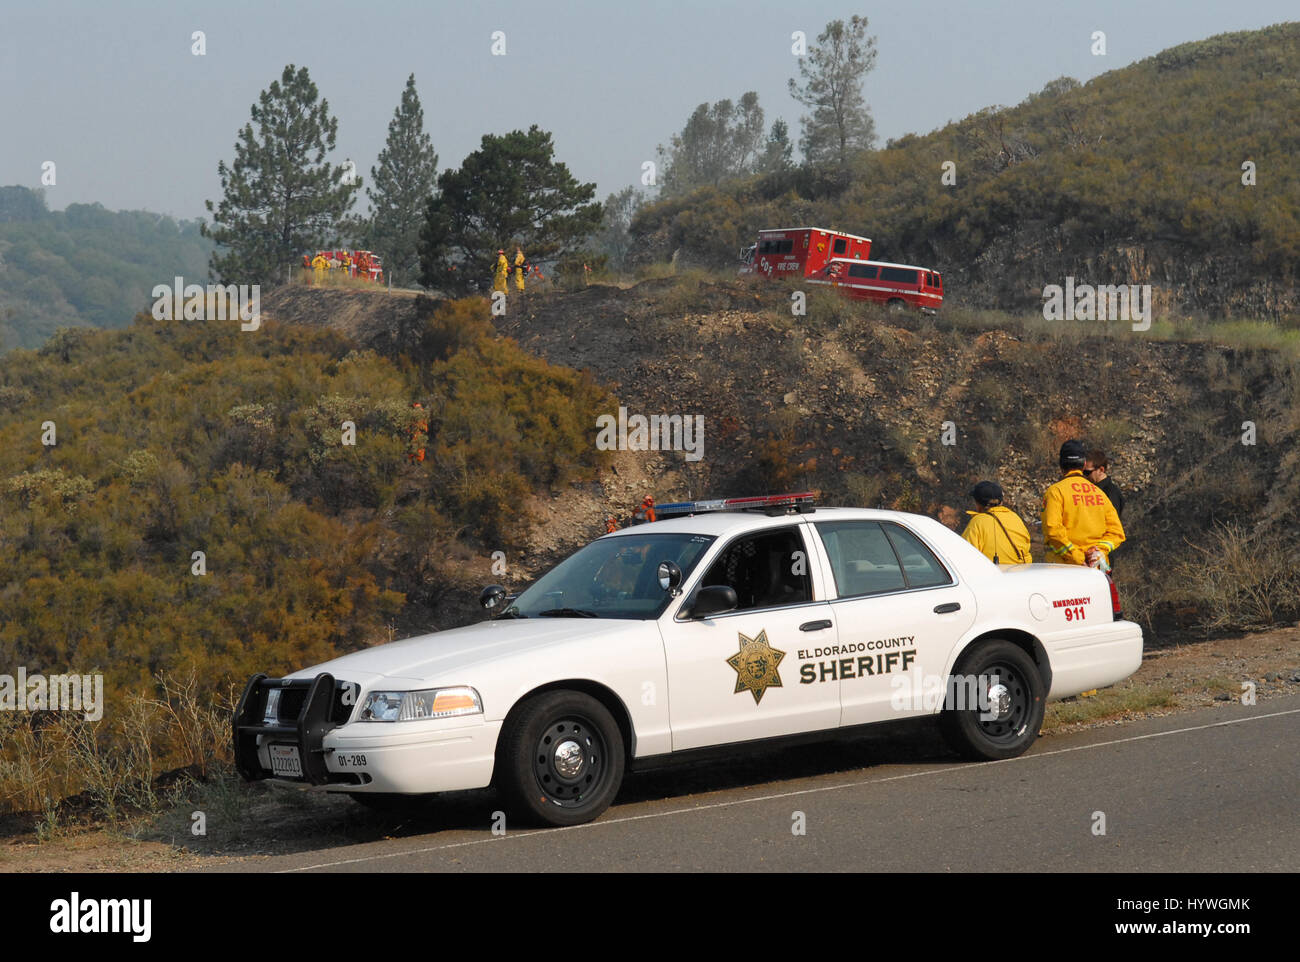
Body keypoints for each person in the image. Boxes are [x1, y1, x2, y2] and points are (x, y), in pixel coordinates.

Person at [1042, 440, 1125, 568]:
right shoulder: (1099, 493)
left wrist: (1077, 557)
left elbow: (1053, 532)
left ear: (1061, 465)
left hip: (1065, 570)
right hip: (1096, 571)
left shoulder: (1055, 492)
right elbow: (1117, 532)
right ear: (1084, 464)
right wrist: (1099, 552)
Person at [961, 481, 1032, 565]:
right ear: (1001, 502)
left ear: (978, 504)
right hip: (1020, 574)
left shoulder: (977, 522)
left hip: (993, 575)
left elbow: (965, 556)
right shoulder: (1015, 518)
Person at [1084, 450, 1124, 518]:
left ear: (1101, 470)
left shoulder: (1111, 493)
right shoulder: (1091, 489)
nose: (1084, 476)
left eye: (1087, 472)